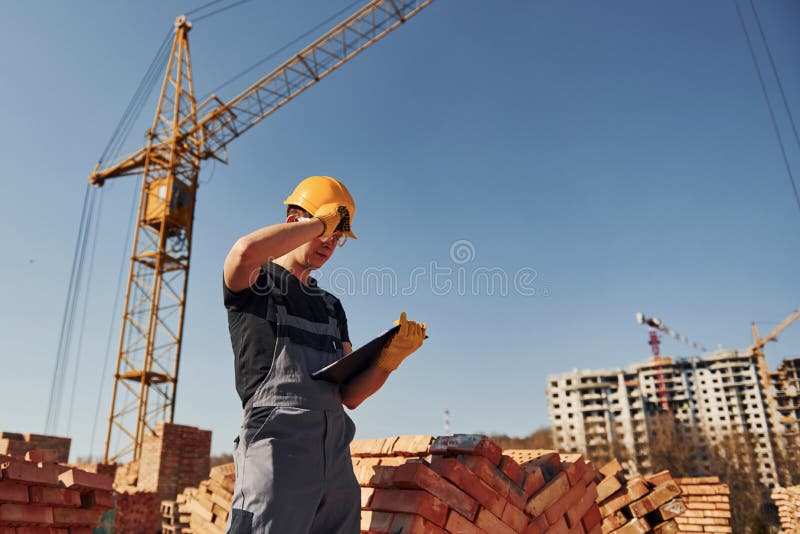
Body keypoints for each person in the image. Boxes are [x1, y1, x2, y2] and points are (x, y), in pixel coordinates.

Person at [222, 175, 426, 533]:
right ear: (293, 223)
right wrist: (320, 223)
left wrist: (389, 360)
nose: (331, 241)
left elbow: (350, 396)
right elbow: (243, 251)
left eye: (339, 236)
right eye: (328, 229)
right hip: (276, 452)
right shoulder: (255, 282)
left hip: (334, 460)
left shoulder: (332, 307)